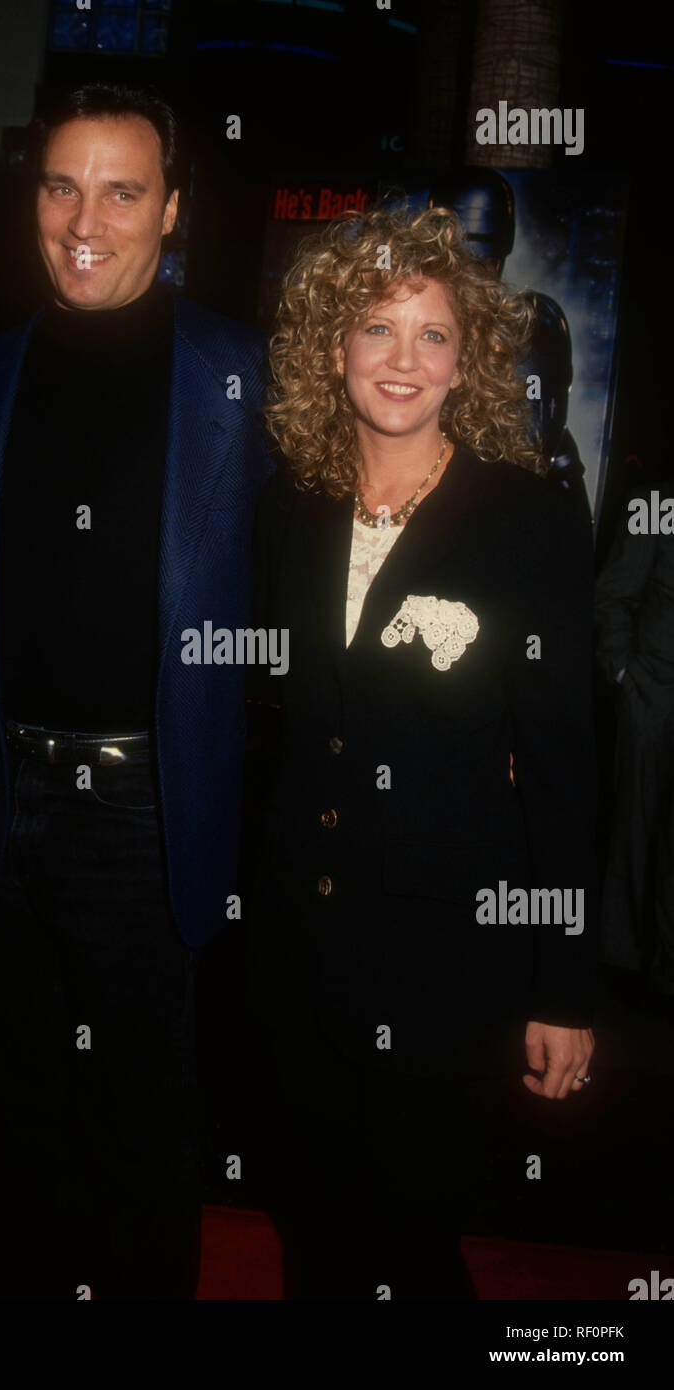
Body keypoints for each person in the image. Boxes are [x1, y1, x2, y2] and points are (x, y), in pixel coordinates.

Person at [0, 82, 272, 1300]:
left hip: (149, 806)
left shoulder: (244, 380)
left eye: (121, 189)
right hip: (2, 790)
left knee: (141, 1128)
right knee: (23, 1115)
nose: (84, 218)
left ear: (173, 211)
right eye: (60, 184)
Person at [246, 204, 598, 1300]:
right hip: (300, 948)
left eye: (431, 334)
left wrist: (565, 985)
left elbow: (561, 763)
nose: (401, 360)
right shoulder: (288, 506)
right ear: (330, 349)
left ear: (465, 364)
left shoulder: (524, 519)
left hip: (449, 955)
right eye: (375, 329)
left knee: (407, 1238)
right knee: (310, 1218)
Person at [594, 479, 674, 994]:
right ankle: (623, 964)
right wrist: (624, 674)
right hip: (656, 695)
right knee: (637, 831)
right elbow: (613, 595)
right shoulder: (657, 505)